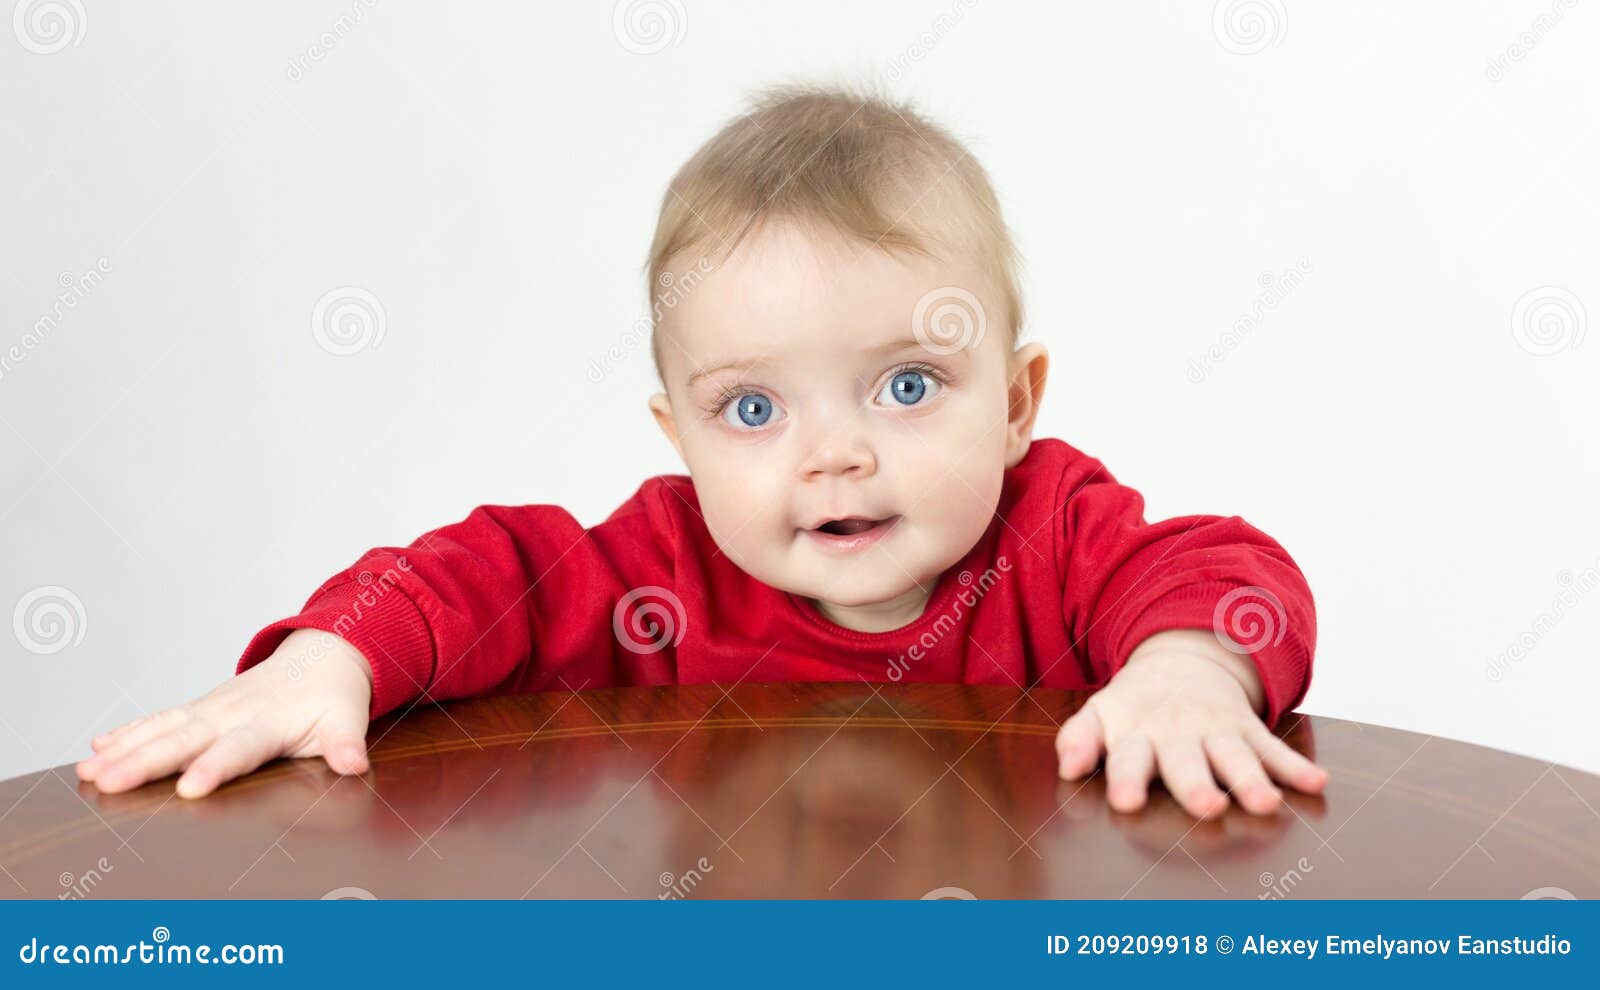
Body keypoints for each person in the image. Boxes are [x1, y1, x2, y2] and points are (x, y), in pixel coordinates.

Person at [77, 83, 1327, 820]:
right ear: (678, 439)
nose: (833, 456)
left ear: (1012, 405)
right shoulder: (657, 571)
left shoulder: (1051, 536)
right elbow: (479, 573)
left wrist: (1184, 670)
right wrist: (334, 653)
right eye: (753, 411)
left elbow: (1221, 569)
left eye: (905, 384)